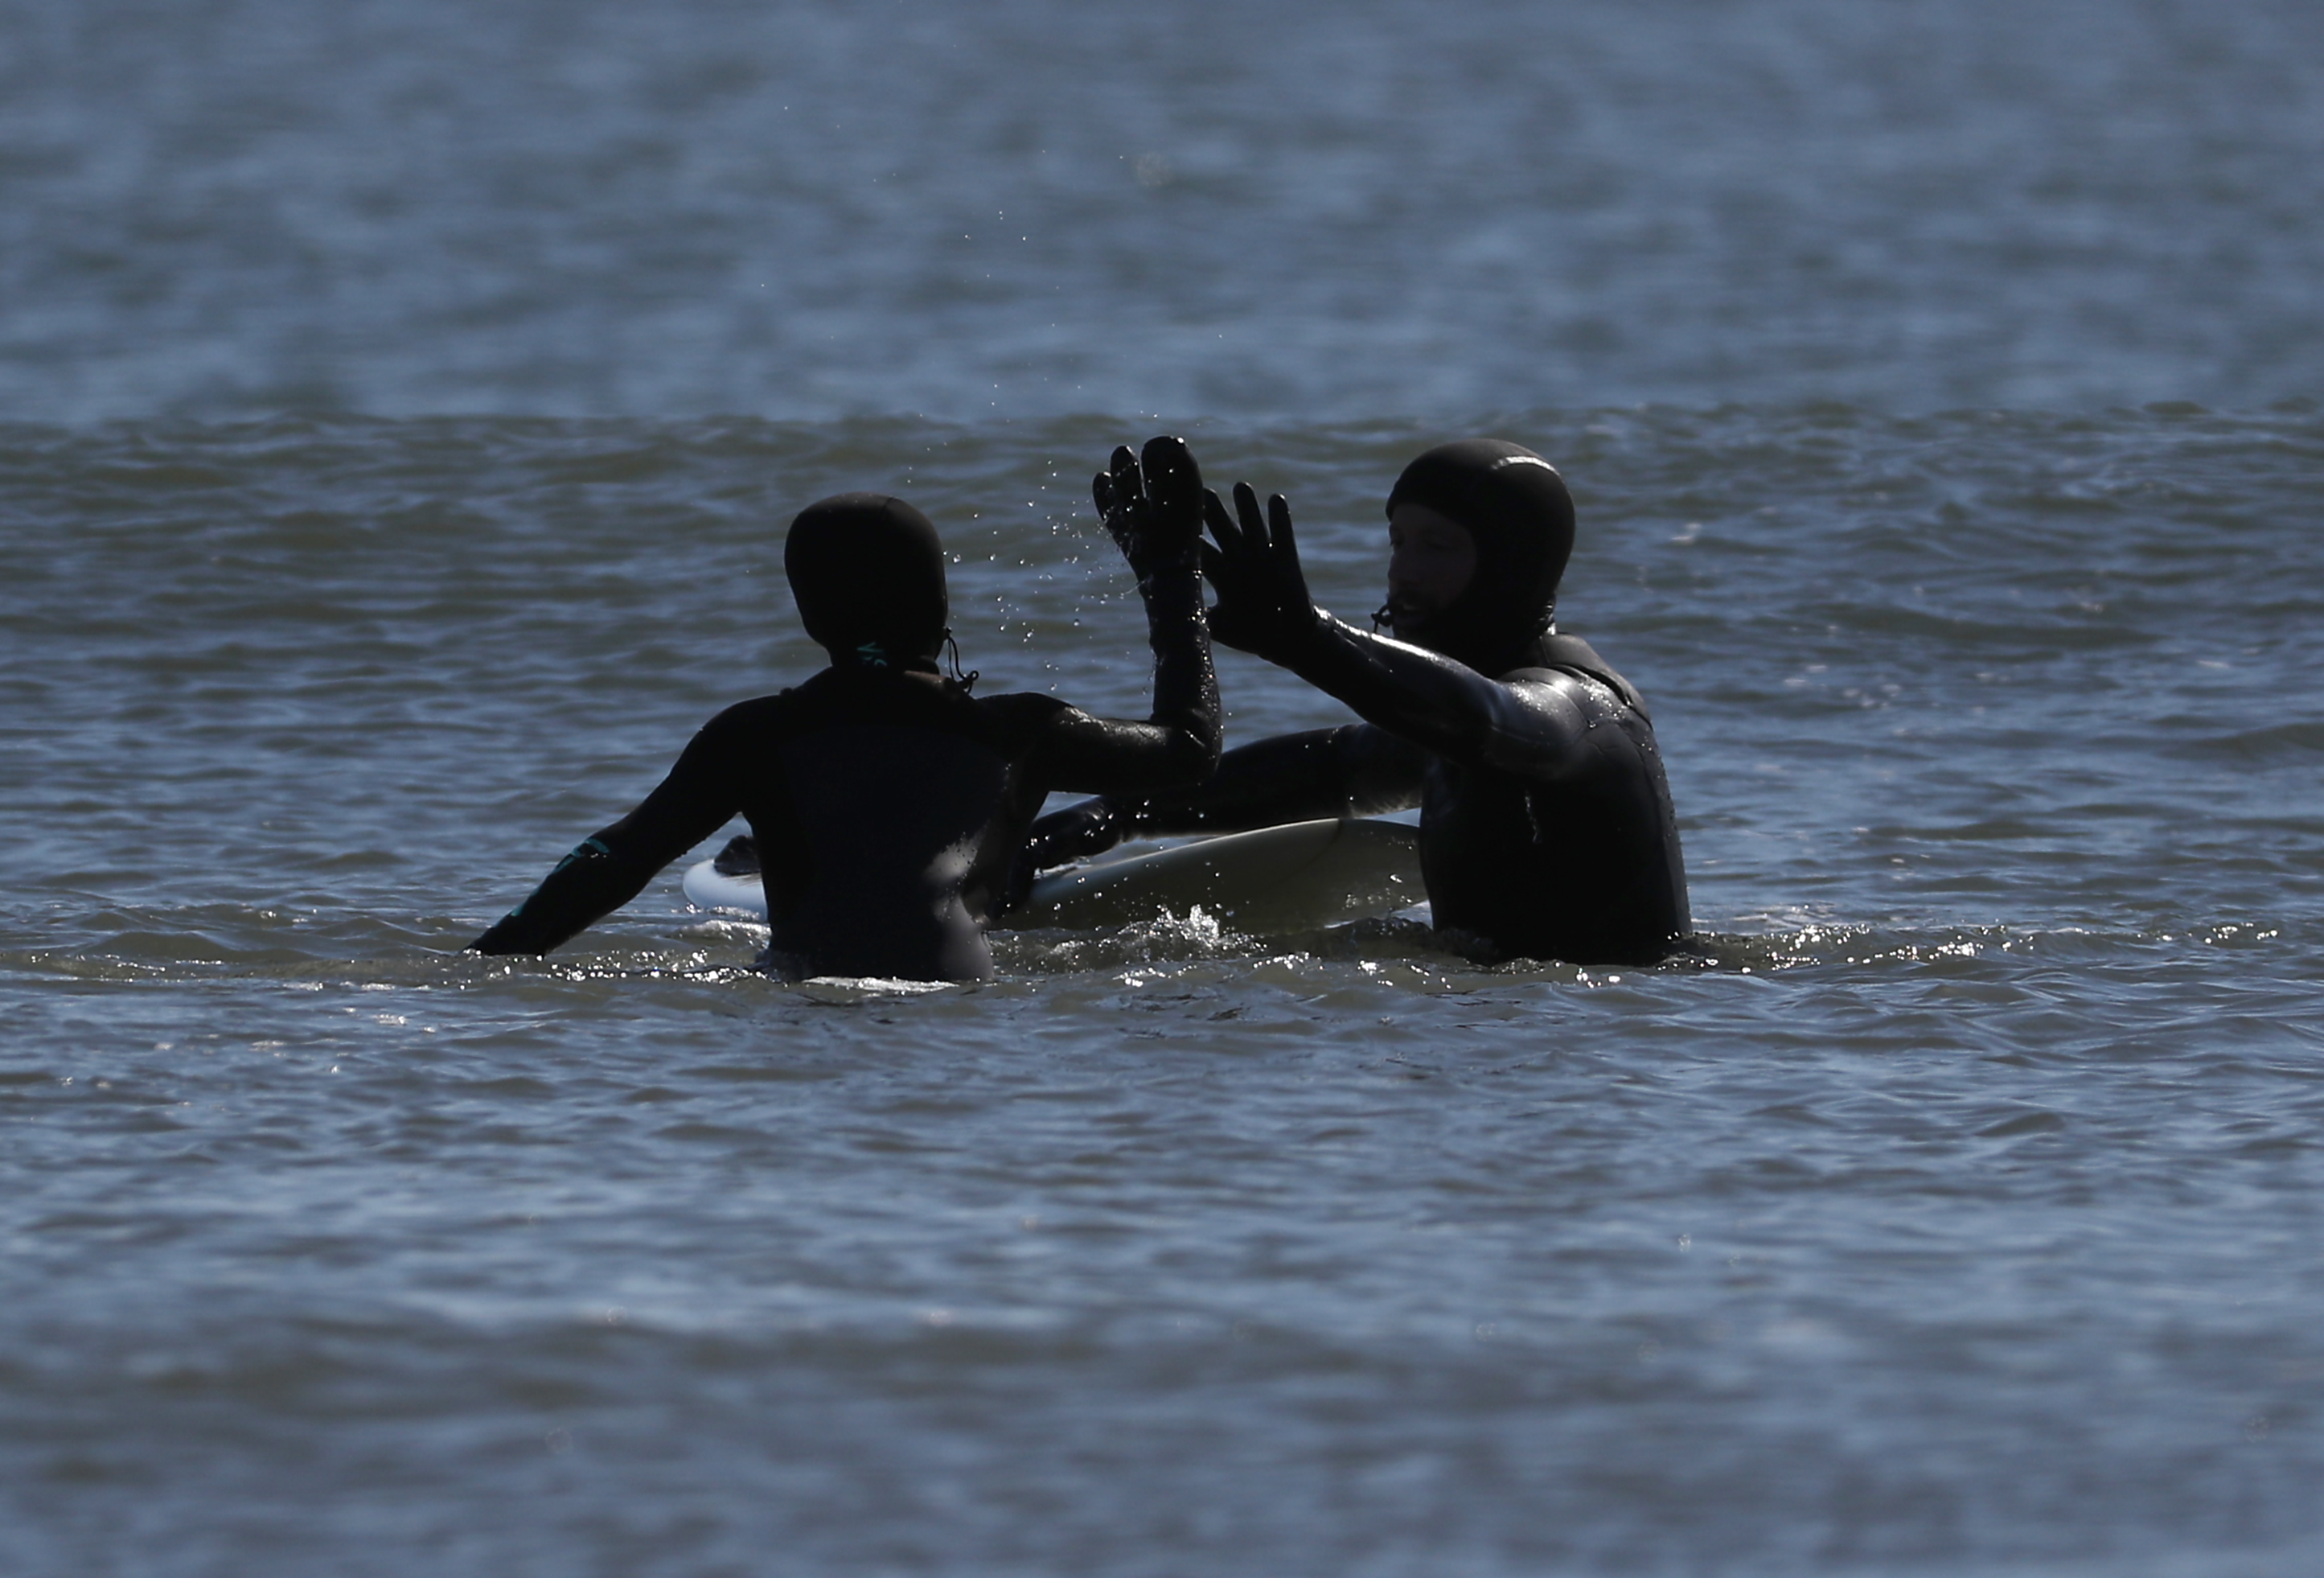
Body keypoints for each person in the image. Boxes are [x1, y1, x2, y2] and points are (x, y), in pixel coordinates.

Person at [471, 438, 1220, 981]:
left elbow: (617, 857)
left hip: (804, 994)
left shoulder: (755, 735)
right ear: (940, 606)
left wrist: (488, 960)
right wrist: (1169, 576)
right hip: (960, 1004)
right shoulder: (1017, 732)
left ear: (810, 618)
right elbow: (1190, 749)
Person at [1020, 439, 1689, 964]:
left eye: (1438, 547)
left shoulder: (1576, 706)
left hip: (1604, 1020)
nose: (1404, 571)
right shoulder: (1445, 725)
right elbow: (1331, 771)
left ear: (1513, 568)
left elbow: (1488, 719)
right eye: (1398, 541)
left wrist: (1308, 638)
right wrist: (1113, 814)